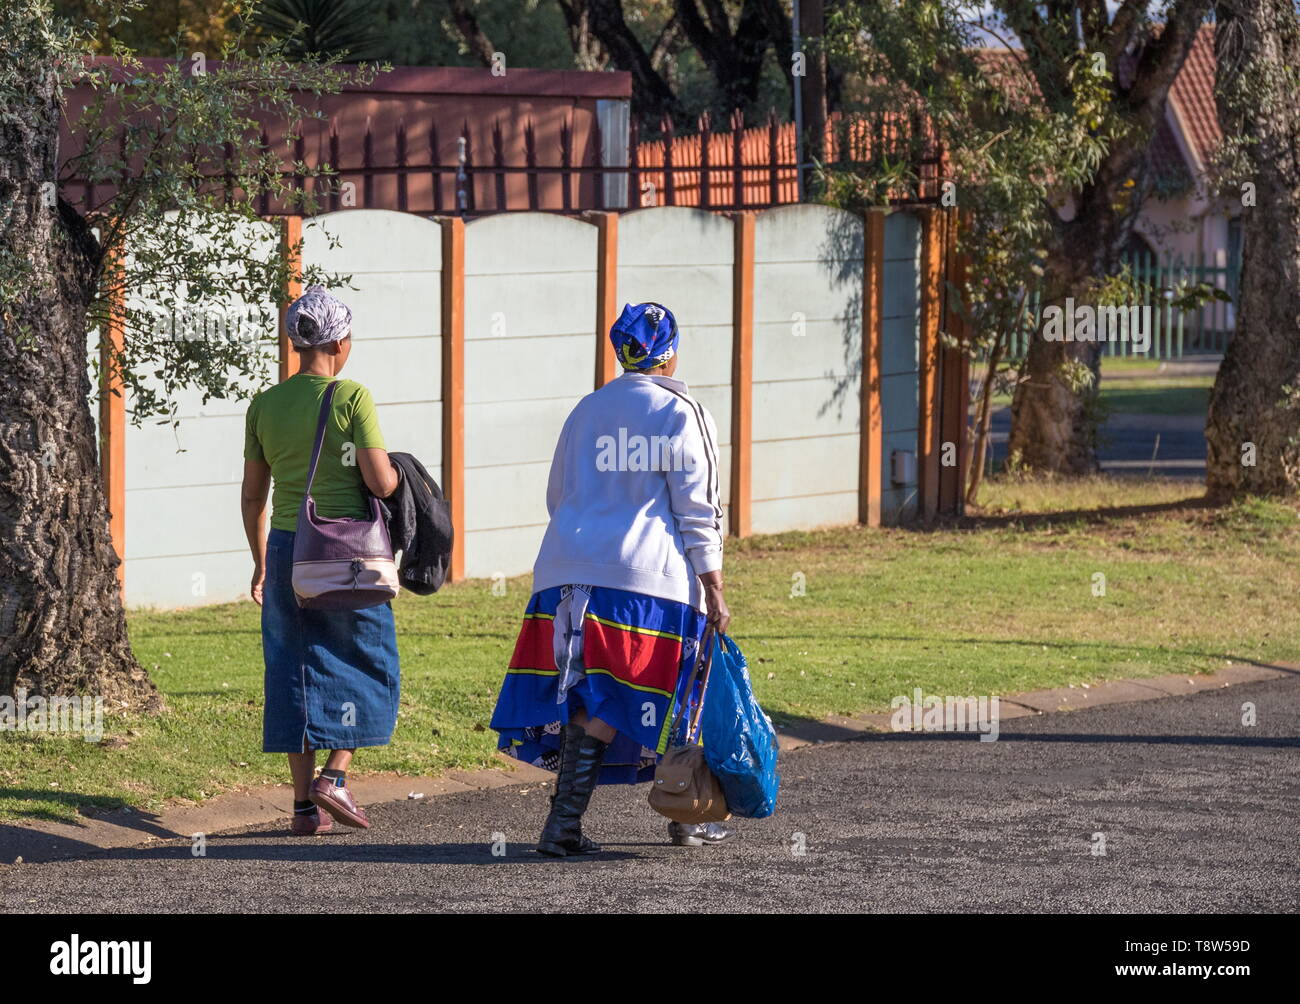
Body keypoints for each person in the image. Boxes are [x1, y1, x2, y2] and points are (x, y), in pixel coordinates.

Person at [491, 301, 732, 857]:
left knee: (589, 692)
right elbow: (699, 509)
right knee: (669, 689)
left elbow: (558, 496)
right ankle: (681, 816)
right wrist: (714, 584)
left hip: (566, 571)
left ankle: (566, 824)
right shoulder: (683, 411)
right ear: (670, 353)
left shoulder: (586, 409)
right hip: (647, 579)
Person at [240, 285, 400, 836]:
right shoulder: (352, 397)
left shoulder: (264, 404)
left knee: (292, 669)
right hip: (347, 555)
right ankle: (335, 776)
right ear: (339, 340)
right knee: (368, 659)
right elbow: (380, 480)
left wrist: (261, 561)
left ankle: (303, 809)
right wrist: (405, 478)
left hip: (288, 551)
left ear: (295, 341)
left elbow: (252, 494)